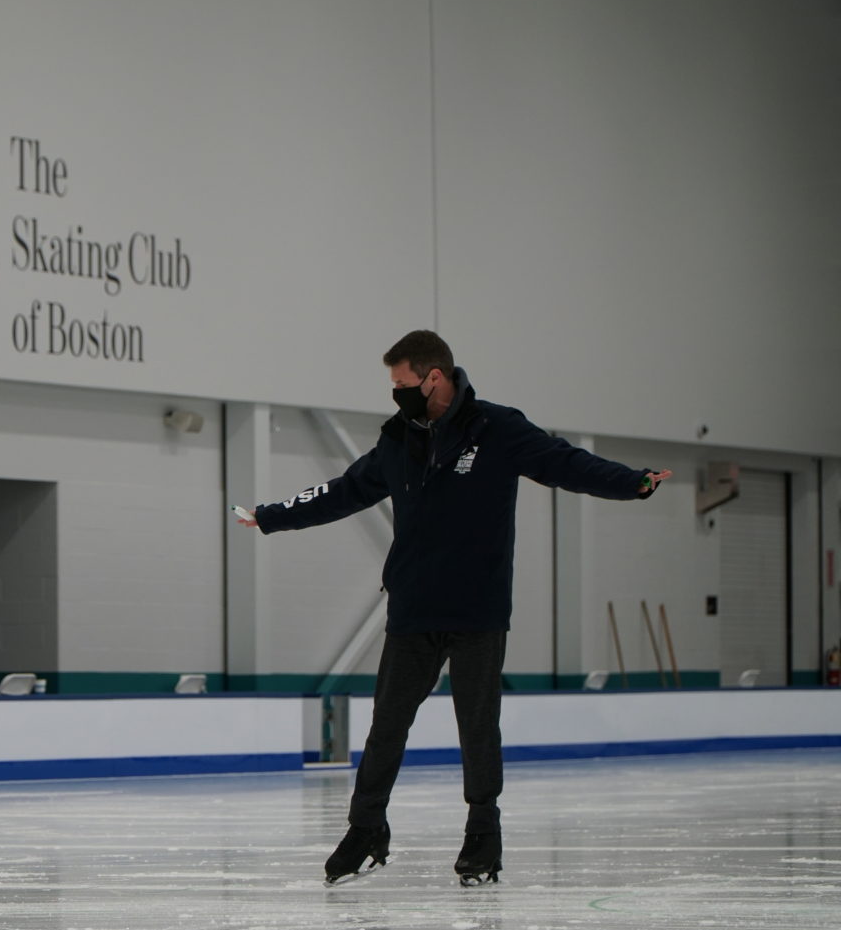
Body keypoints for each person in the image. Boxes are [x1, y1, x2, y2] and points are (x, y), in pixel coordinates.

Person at [239, 330, 671, 886]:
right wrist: (272, 515)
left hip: (477, 611)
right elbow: (344, 491)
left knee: (477, 730)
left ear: (434, 377)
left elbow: (567, 464)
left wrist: (633, 483)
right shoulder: (398, 441)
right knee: (386, 729)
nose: (397, 394)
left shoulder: (497, 429)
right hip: (414, 609)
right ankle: (366, 830)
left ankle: (483, 837)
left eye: (402, 384)